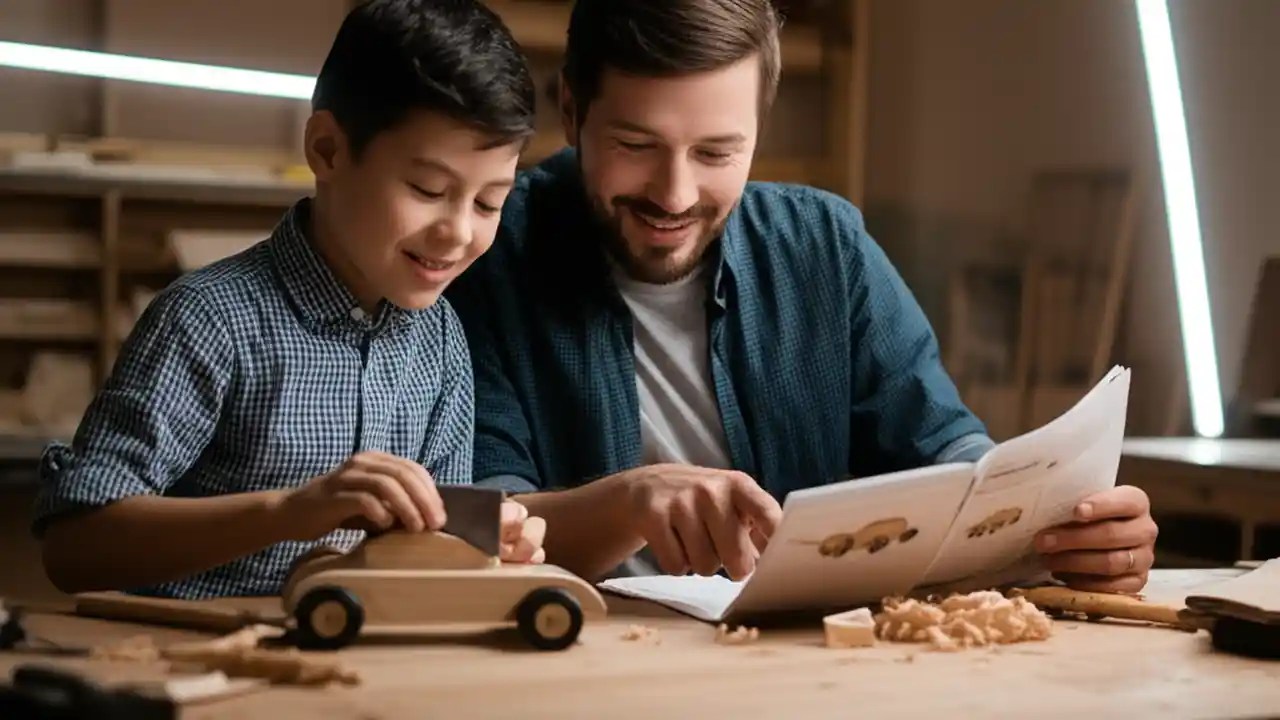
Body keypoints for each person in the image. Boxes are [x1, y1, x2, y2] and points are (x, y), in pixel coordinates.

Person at [445, 0, 1159, 592]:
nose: (675, 194)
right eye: (636, 145)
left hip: (799, 661)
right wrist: (628, 503)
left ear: (760, 129)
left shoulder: (826, 246)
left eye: (716, 152)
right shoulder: (484, 253)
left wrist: (1065, 525)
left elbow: (946, 450)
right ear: (572, 111)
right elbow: (479, 529)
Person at [31, 0, 547, 599]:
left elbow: (426, 547)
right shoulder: (211, 320)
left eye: (488, 203)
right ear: (327, 150)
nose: (458, 232)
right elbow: (75, 547)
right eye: (428, 189)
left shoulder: (439, 338)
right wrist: (290, 512)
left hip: (357, 648)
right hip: (199, 649)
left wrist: (481, 543)